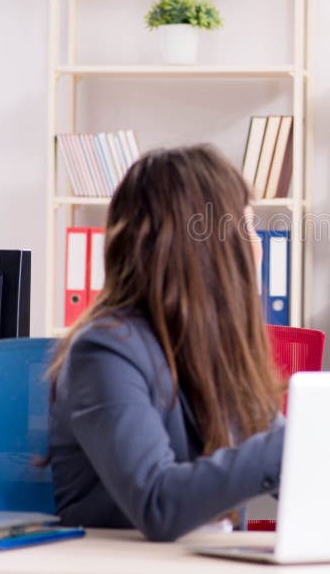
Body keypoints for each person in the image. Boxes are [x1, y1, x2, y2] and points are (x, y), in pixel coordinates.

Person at [48, 145, 284, 541]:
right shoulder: (104, 352)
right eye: (248, 228)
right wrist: (289, 445)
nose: (258, 246)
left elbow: (284, 460)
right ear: (200, 247)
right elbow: (158, 502)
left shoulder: (216, 348)